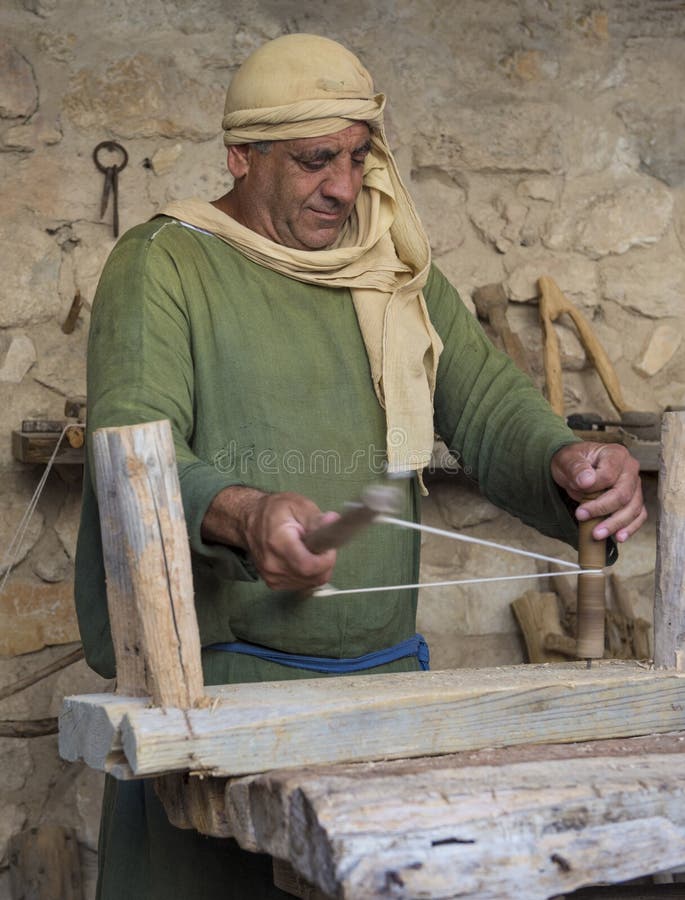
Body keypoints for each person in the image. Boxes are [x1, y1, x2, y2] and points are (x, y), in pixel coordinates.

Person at [74, 33, 646, 900]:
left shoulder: (392, 269)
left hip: (381, 711)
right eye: (313, 161)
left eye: (356, 156)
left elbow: (490, 409)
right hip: (216, 704)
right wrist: (243, 512)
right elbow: (134, 452)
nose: (343, 186)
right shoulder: (165, 262)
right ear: (241, 155)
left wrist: (570, 460)